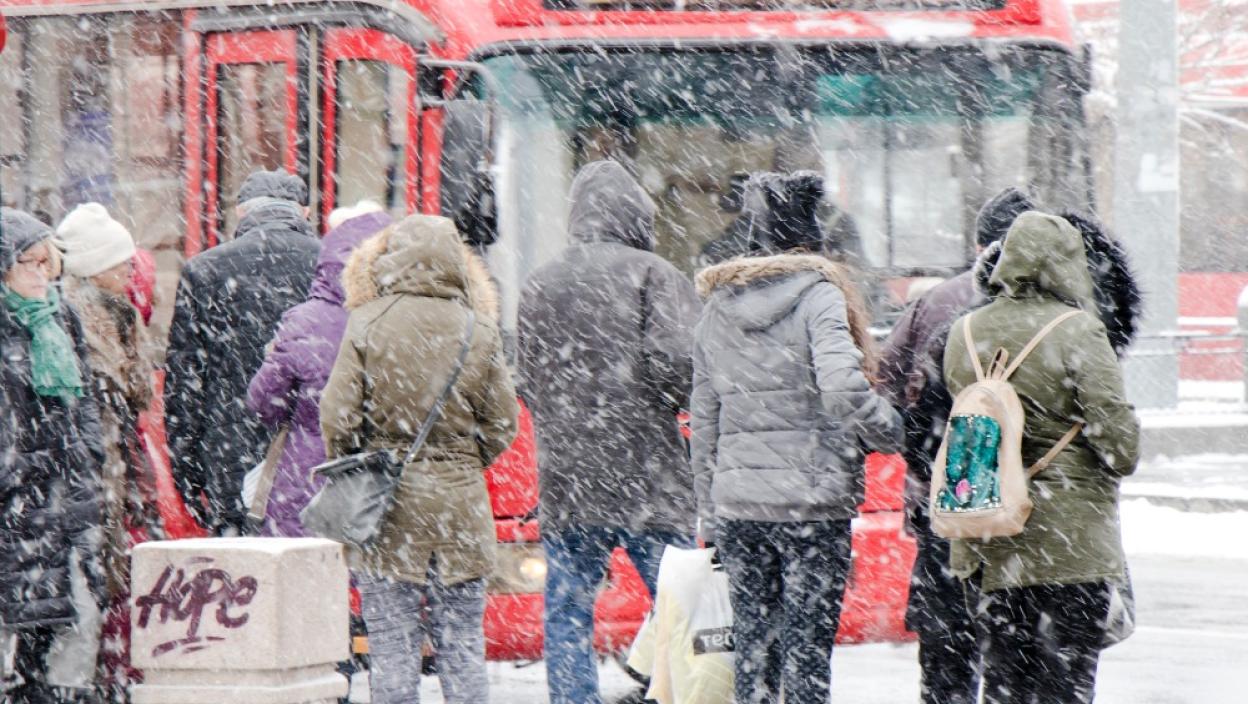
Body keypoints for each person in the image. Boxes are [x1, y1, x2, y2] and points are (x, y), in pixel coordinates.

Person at [690, 171, 902, 704]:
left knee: (754, 654)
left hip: (740, 510)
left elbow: (705, 418)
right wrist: (890, 428)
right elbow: (841, 390)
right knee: (807, 655)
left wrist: (710, 511)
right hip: (811, 508)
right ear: (814, 240)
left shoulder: (717, 305)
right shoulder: (820, 296)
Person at [516, 160, 702, 704]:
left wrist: (571, 417)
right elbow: (679, 365)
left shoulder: (538, 281)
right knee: (679, 606)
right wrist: (665, 404)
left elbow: (527, 380)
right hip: (648, 472)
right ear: (636, 214)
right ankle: (677, 694)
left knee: (568, 611)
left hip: (569, 477)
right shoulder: (654, 273)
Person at [942, 211, 1140, 704]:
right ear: (1065, 265)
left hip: (991, 534)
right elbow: (1119, 447)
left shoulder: (964, 332)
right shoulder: (1079, 330)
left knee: (1005, 681)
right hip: (1068, 544)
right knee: (1064, 686)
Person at [319, 214, 518, 704]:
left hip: (387, 510)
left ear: (389, 261)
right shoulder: (479, 328)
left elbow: (336, 415)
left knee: (392, 648)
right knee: (463, 646)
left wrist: (358, 462)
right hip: (460, 509)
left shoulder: (367, 322)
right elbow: (503, 423)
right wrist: (462, 462)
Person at [876, 186, 1035, 704]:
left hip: (947, 496)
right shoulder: (1060, 312)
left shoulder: (935, 302)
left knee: (947, 645)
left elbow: (888, 386)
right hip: (1028, 505)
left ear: (977, 244)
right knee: (1019, 649)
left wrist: (922, 452)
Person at [164, 170, 320, 535]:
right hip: (313, 453)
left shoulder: (203, 270)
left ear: (241, 213)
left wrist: (186, 471)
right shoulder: (332, 266)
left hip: (229, 451)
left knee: (242, 575)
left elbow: (185, 383)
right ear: (305, 213)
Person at [55, 203, 163, 702]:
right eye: (119, 263)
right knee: (91, 592)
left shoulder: (119, 313)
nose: (128, 270)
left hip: (112, 473)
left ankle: (105, 682)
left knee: (110, 586)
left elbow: (137, 393)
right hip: (91, 478)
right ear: (95, 267)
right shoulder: (73, 319)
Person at [0, 207, 107, 702]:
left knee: (50, 644)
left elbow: (83, 405)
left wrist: (86, 466)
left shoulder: (59, 318)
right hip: (13, 512)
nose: (43, 275)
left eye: (48, 264)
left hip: (56, 508)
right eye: (30, 263)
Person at [246, 202, 391, 537]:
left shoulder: (306, 321)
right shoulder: (407, 318)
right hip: (386, 486)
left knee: (305, 580)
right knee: (378, 585)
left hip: (311, 479)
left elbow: (262, 401)